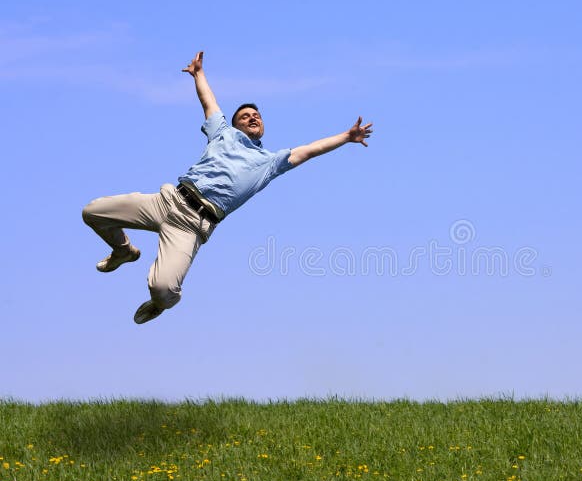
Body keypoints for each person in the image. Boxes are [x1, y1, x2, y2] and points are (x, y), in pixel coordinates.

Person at [82, 51, 373, 324]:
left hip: (192, 226)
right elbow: (209, 103)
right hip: (168, 201)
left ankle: (160, 304)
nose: (252, 117)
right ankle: (123, 251)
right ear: (234, 125)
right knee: (93, 212)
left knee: (161, 288)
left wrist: (346, 137)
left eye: (256, 116)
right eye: (245, 116)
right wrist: (198, 74)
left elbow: (309, 150)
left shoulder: (269, 162)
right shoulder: (222, 134)